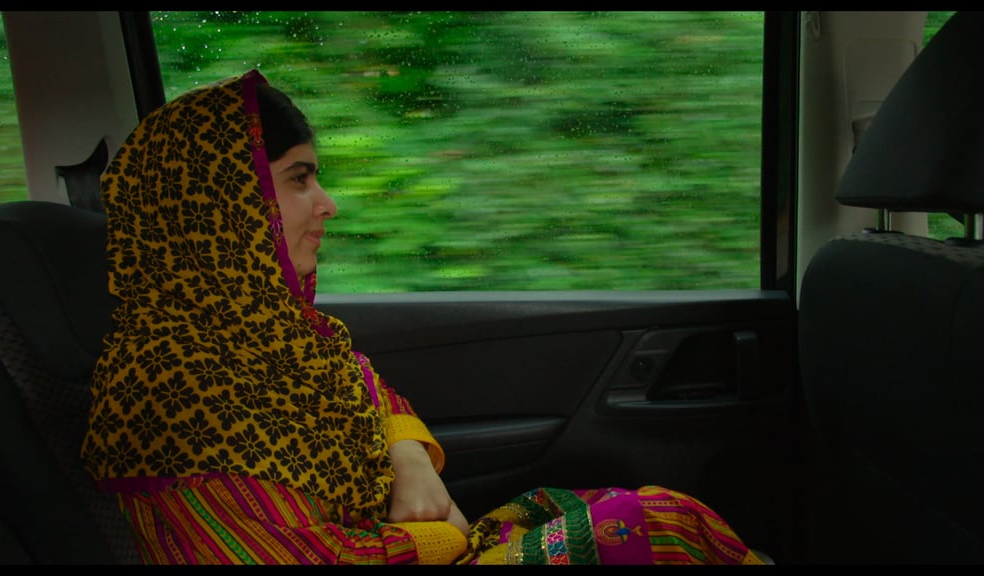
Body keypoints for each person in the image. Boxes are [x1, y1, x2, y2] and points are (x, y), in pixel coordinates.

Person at [80, 69, 764, 565]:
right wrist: (444, 536)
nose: (328, 204)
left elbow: (367, 387)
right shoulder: (172, 392)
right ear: (220, 206)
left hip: (406, 546)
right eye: (297, 179)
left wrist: (412, 463)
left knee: (660, 515)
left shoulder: (273, 332)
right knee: (660, 530)